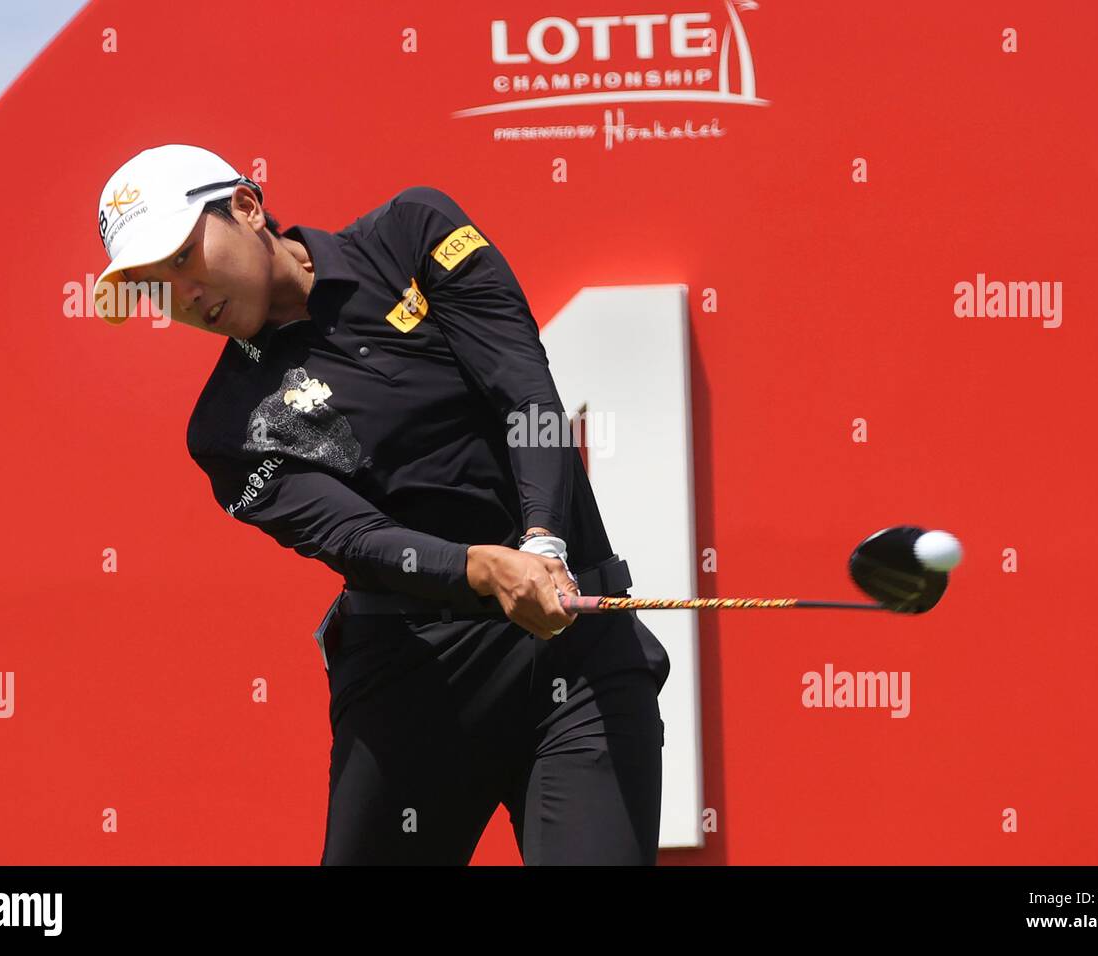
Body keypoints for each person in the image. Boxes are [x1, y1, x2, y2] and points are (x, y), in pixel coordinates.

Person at [91, 143, 671, 865]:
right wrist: (484, 570)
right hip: (417, 686)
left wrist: (544, 543)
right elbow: (359, 539)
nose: (181, 295)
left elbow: (526, 392)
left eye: (182, 259)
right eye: (154, 286)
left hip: (574, 634)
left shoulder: (413, 234)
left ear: (246, 206)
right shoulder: (226, 429)